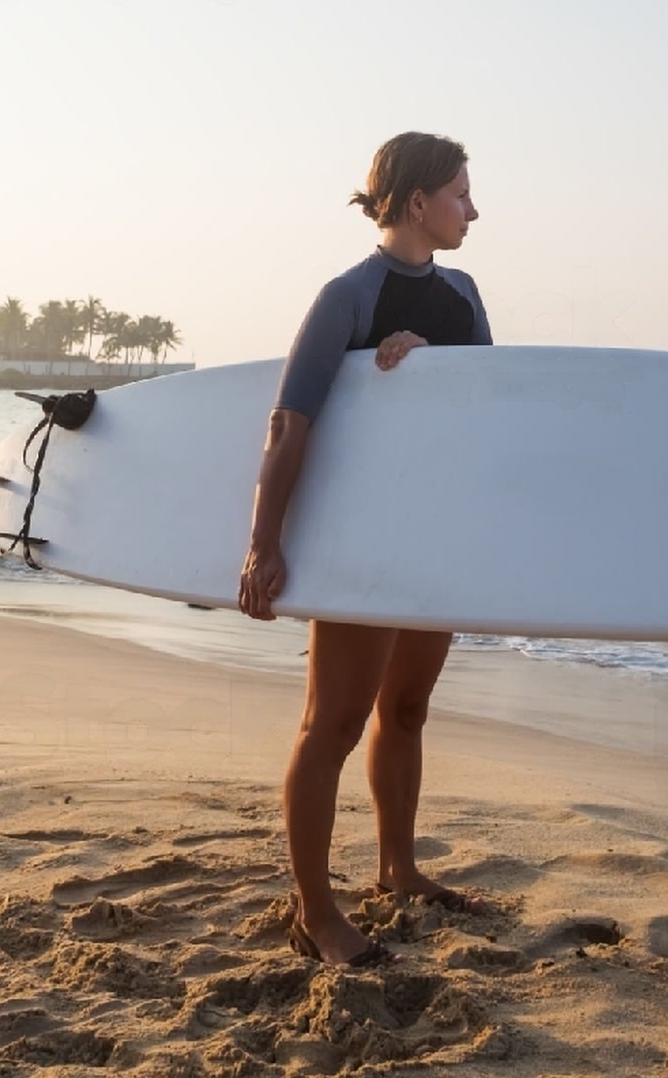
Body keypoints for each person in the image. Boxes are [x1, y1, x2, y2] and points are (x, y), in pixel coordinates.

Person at [238, 131, 490, 968]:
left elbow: (490, 414)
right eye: (460, 192)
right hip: (361, 542)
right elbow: (290, 419)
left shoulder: (462, 295)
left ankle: (397, 867)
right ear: (418, 201)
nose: (473, 209)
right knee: (334, 723)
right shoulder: (347, 296)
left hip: (435, 537)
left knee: (407, 711)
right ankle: (315, 908)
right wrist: (263, 544)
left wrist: (425, 366)